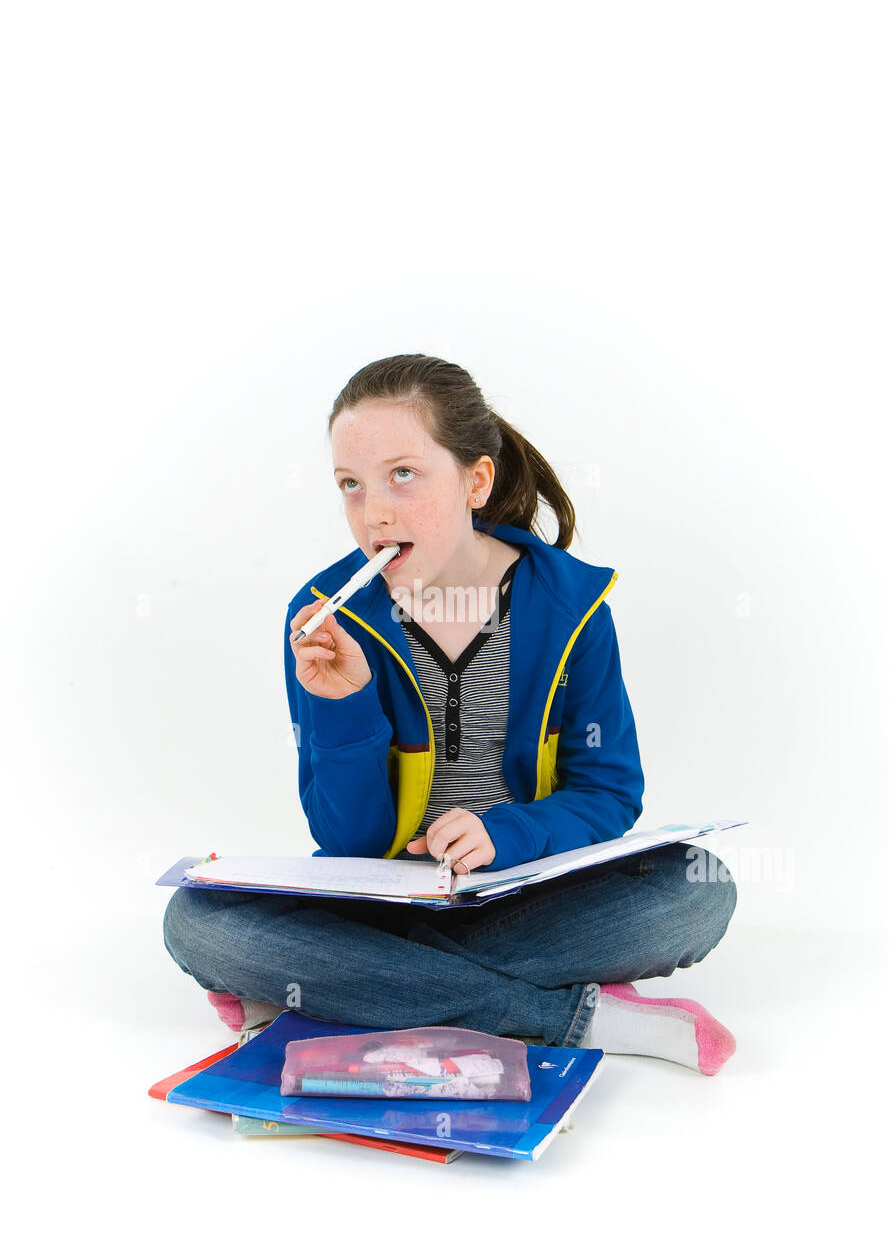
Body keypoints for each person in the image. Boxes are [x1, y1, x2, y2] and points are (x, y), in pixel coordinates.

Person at [163, 354, 737, 1074]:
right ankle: (573, 1018)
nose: (373, 512)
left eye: (403, 474)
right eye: (351, 485)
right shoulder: (324, 622)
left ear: (476, 480)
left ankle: (340, 991)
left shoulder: (572, 608)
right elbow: (347, 841)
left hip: (533, 896)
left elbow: (611, 792)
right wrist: (343, 709)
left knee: (694, 886)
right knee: (198, 923)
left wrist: (508, 832)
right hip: (384, 906)